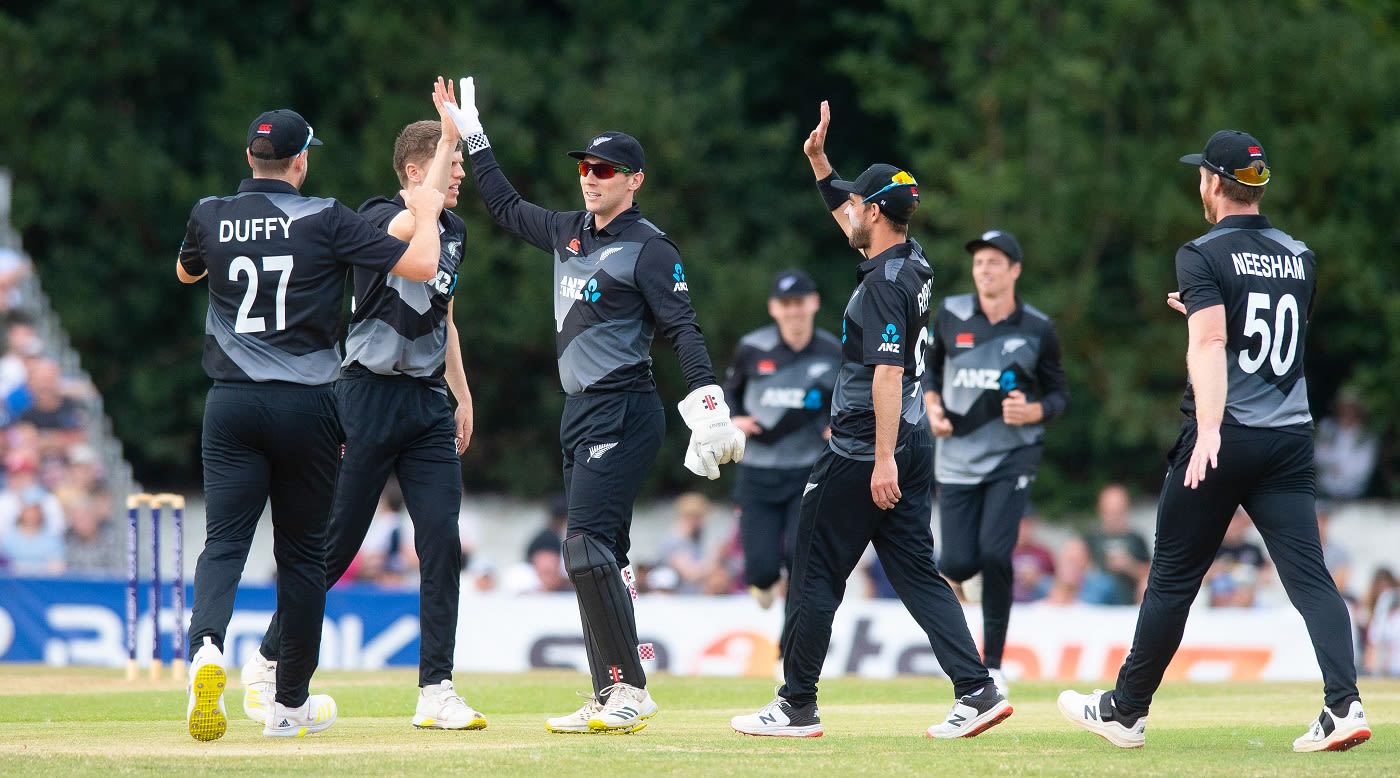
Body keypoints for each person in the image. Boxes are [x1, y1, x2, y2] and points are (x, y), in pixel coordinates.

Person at [445, 76, 744, 734]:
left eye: (603, 169)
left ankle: (627, 688)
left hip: (626, 407)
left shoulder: (651, 247)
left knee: (582, 547)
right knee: (599, 554)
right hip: (579, 411)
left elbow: (684, 329)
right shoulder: (567, 231)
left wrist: (707, 401)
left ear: (633, 179)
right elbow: (502, 205)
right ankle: (610, 692)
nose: (590, 177)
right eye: (585, 167)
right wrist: (474, 134)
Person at [1059, 130, 1370, 753]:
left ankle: (1125, 711)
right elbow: (1268, 338)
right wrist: (1204, 312)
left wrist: (1206, 430)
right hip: (1288, 439)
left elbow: (1213, 344)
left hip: (1226, 435)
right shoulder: (1300, 253)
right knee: (1309, 576)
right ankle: (1344, 705)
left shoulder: (1201, 253)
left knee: (1172, 578)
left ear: (1212, 182)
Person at [731, 101, 1010, 740]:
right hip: (911, 441)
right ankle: (978, 688)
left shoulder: (884, 282)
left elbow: (886, 373)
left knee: (813, 571)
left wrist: (880, 458)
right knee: (915, 571)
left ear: (876, 212)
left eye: (858, 203)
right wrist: (820, 163)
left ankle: (796, 704)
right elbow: (851, 223)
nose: (849, 211)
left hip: (866, 446)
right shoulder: (908, 262)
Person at [177, 106, 445, 740]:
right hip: (308, 405)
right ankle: (288, 704)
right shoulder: (325, 216)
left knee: (223, 543)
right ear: (301, 161)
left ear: (250, 158)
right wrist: (428, 213)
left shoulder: (210, 212)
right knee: (300, 559)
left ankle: (207, 648)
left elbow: (188, 270)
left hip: (231, 403)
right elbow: (420, 267)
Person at [243, 82, 487, 732]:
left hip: (427, 405)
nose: (460, 174)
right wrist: (450, 135)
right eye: (451, 163)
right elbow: (411, 228)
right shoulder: (379, 213)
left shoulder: (456, 231)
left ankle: (436, 689)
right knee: (337, 545)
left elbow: (446, 313)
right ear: (417, 168)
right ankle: (270, 659)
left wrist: (460, 393)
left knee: (441, 542)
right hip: (367, 397)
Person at [921, 235, 1067, 696]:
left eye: (994, 263)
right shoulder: (951, 314)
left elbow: (1059, 394)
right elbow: (928, 369)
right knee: (958, 563)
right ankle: (974, 577)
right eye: (979, 263)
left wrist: (1035, 412)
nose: (983, 270)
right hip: (956, 457)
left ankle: (995, 662)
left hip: (1013, 454)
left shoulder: (1038, 328)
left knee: (994, 552)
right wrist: (932, 408)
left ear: (1014, 271)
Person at [724, 268, 842, 611]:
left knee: (801, 563)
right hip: (756, 471)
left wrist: (837, 425)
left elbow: (845, 401)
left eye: (799, 302)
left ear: (814, 303)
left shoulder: (831, 351)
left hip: (808, 471)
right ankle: (763, 584)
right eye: (786, 303)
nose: (794, 311)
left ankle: (787, 651)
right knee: (760, 570)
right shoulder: (752, 348)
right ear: (774, 308)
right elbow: (729, 391)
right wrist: (734, 418)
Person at [1081, 483, 1152, 605]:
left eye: (1118, 511)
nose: (1114, 516)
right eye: (1110, 511)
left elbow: (1152, 573)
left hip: (1128, 596)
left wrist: (1129, 566)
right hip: (1097, 594)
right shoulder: (1092, 538)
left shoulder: (1136, 538)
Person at [1314, 389, 1378, 500]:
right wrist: (1334, 464)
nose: (1347, 411)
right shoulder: (1327, 427)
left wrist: (1339, 467)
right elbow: (1317, 455)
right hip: (1324, 491)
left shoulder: (1366, 436)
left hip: (1354, 494)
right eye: (1343, 407)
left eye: (1351, 408)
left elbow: (1363, 468)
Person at [1204, 508, 1269, 608]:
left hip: (1247, 591)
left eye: (1237, 524)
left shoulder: (1253, 548)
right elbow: (1203, 576)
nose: (1234, 528)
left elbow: (1265, 571)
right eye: (1230, 524)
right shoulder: (1212, 549)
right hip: (1219, 592)